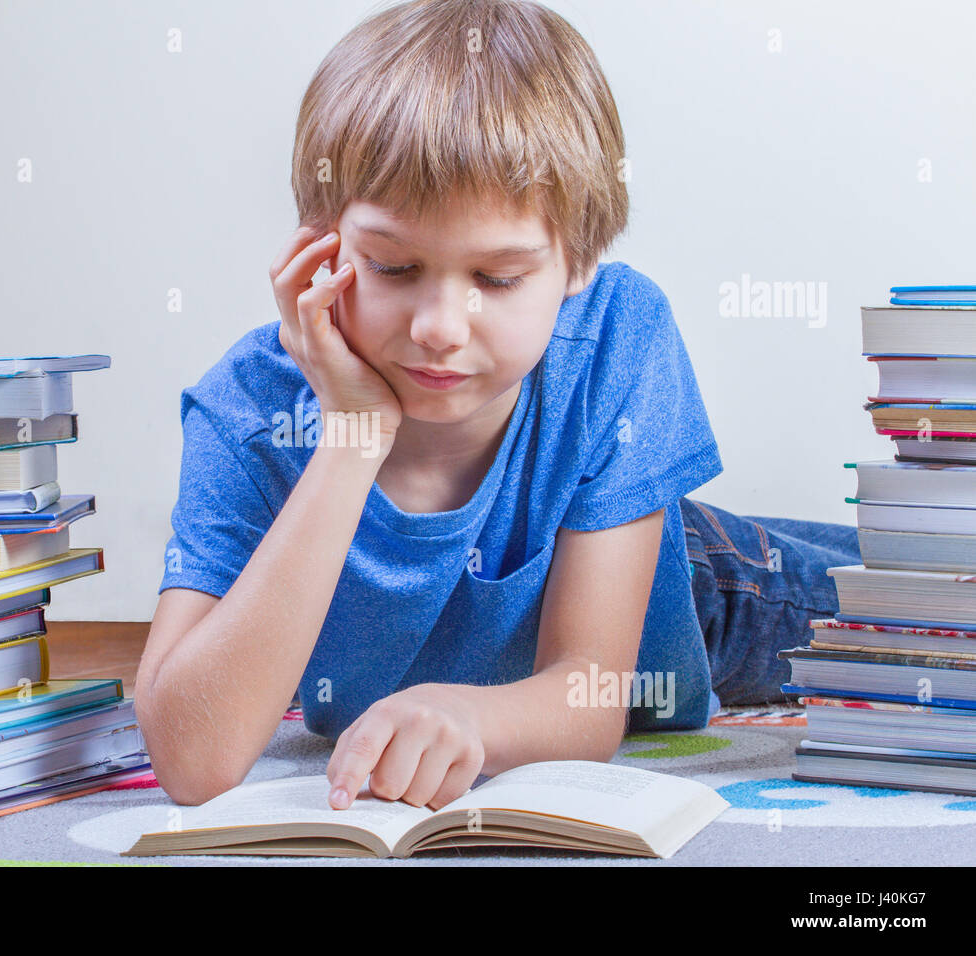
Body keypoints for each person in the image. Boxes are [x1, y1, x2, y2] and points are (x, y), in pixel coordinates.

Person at [133, 0, 861, 811]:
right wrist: (353, 437)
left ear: (577, 262)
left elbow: (591, 698)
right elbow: (193, 759)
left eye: (497, 280)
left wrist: (464, 710)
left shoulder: (616, 334)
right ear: (319, 245)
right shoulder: (248, 410)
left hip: (706, 587)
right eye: (392, 267)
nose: (441, 329)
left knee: (926, 601)